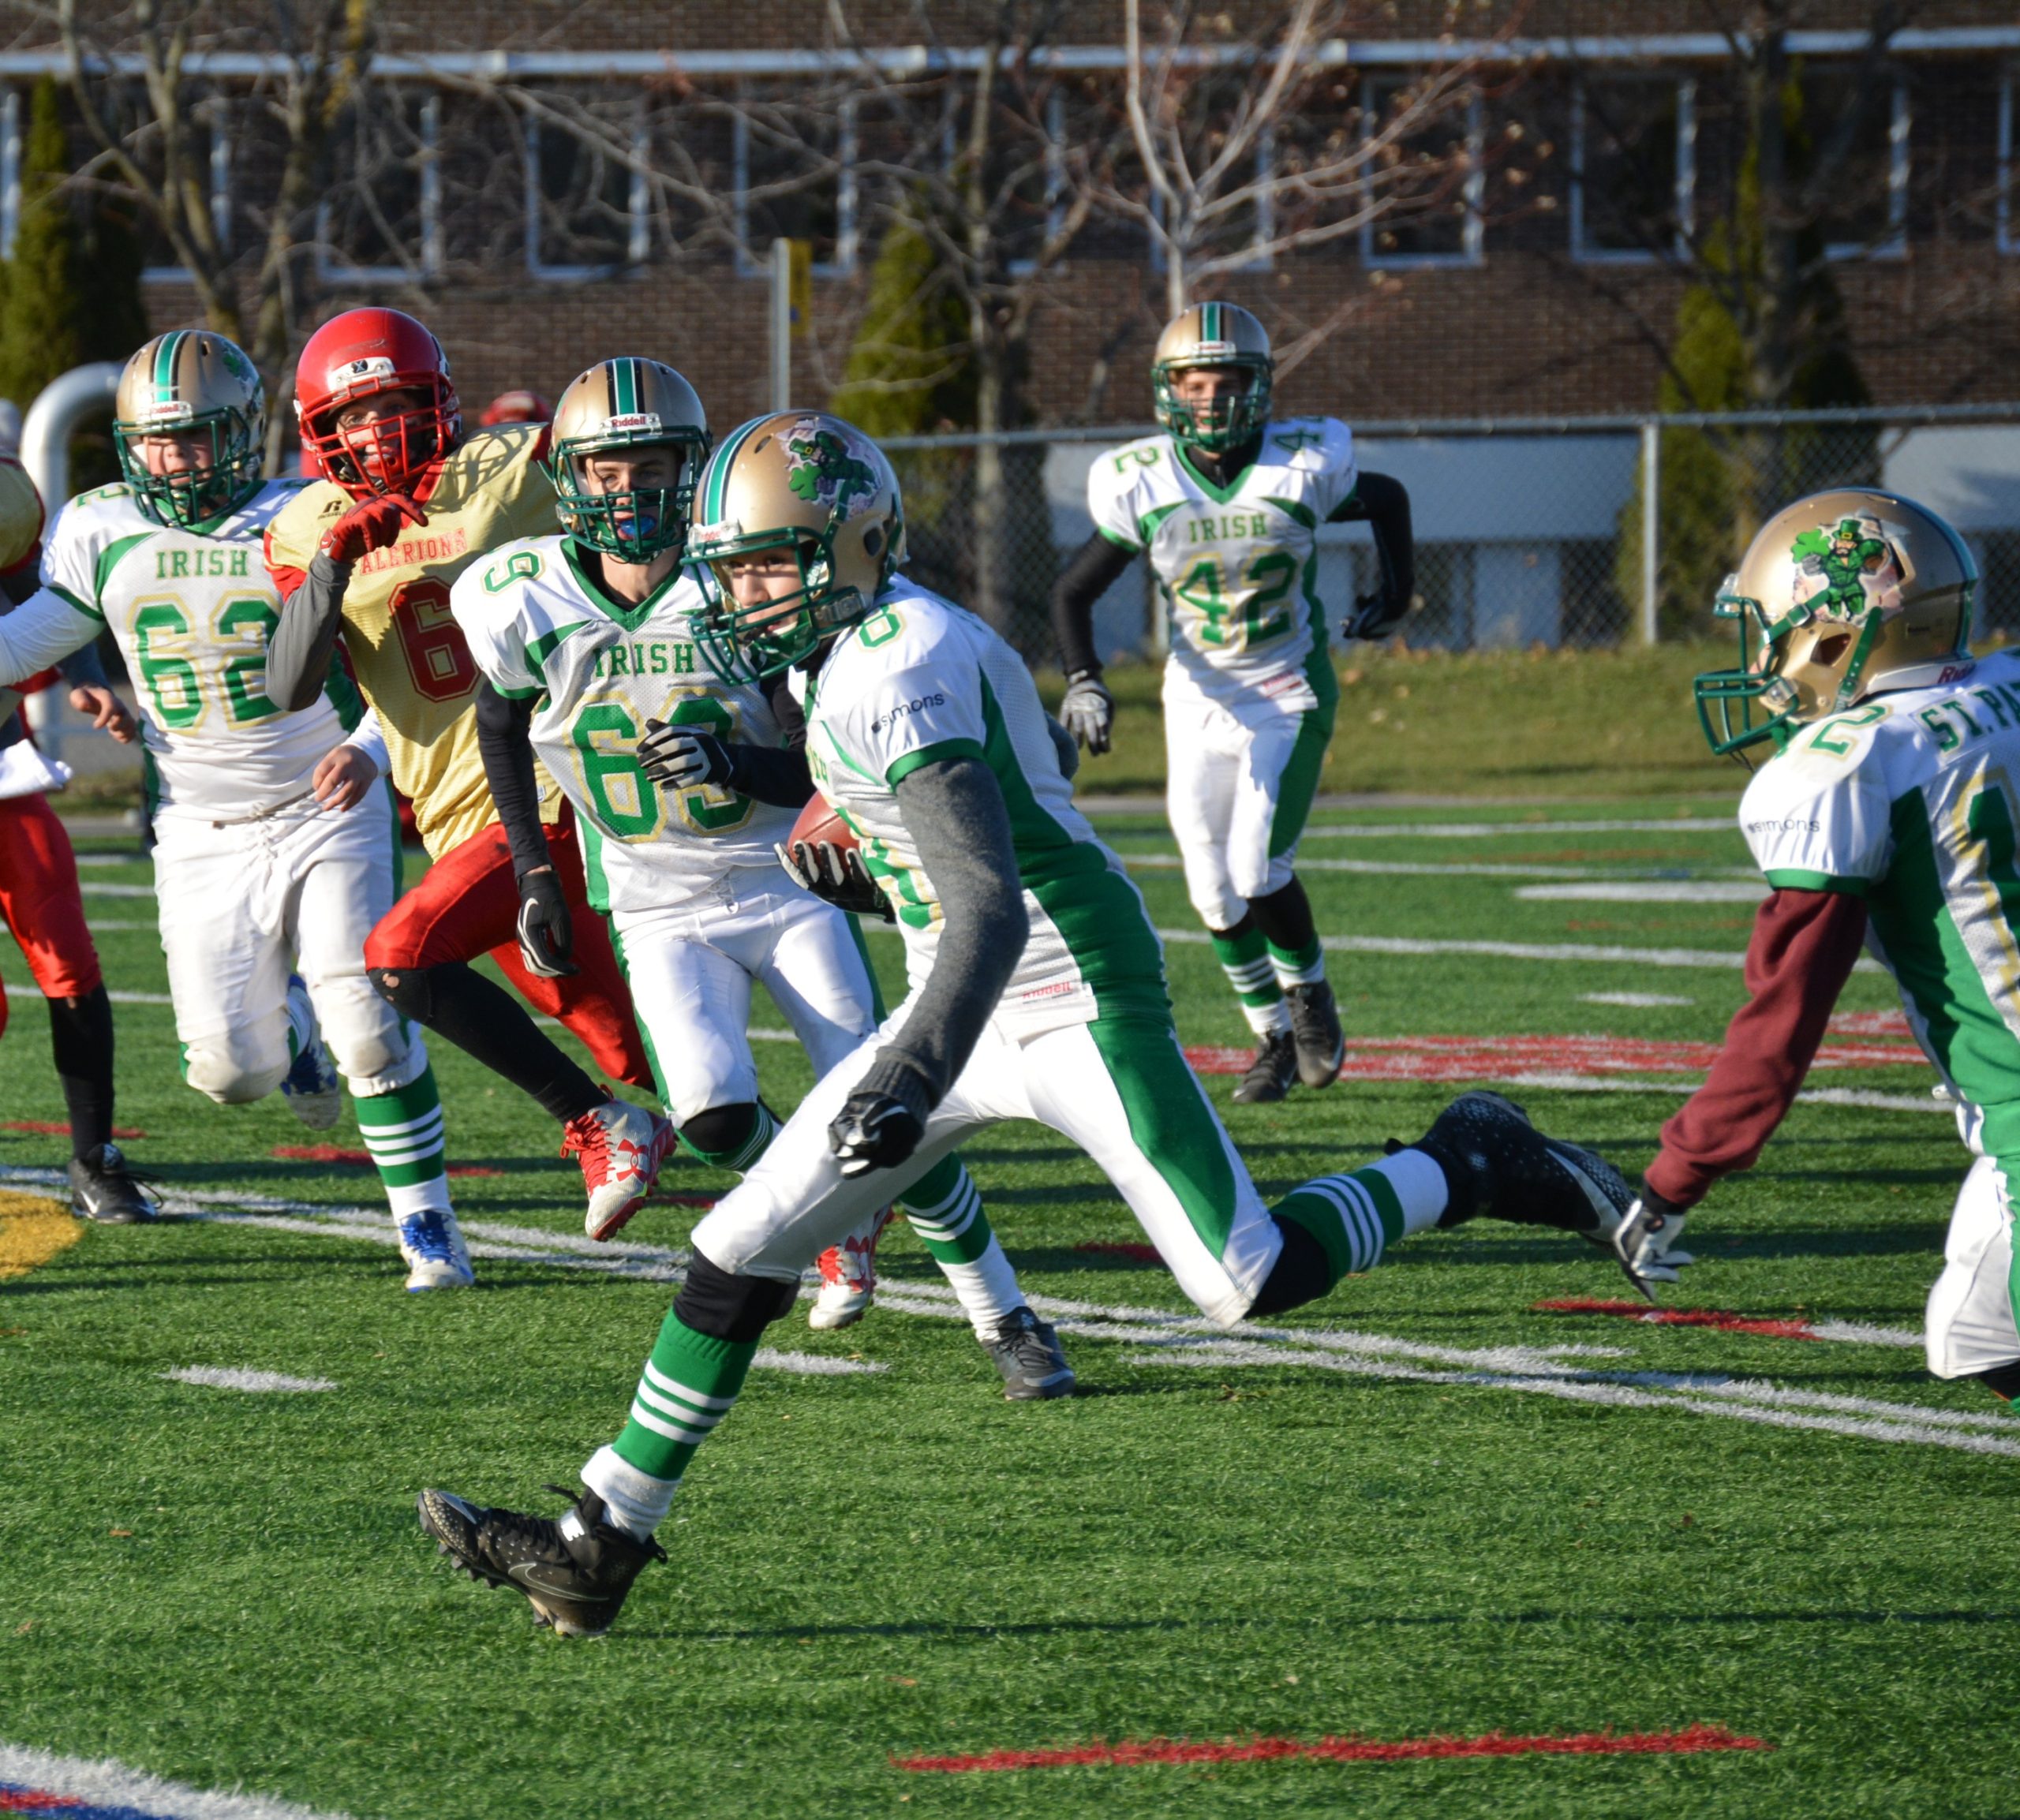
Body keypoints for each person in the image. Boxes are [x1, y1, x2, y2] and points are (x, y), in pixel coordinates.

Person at [417, 411, 1632, 1639]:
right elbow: (974, 820)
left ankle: (1467, 1158)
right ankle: (600, 1538)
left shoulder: (896, 658)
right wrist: (873, 879)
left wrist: (910, 1067)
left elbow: (992, 902)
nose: (748, 597)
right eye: (733, 571)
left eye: (773, 565)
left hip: (1066, 986)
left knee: (1244, 1278)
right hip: (958, 983)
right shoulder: (838, 653)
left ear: (858, 543)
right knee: (741, 1244)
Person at [452, 358, 1070, 1377]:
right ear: (571, 478)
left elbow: (820, 751)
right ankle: (837, 1215)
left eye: (653, 467)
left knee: (887, 1103)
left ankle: (1005, 1317)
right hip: (653, 896)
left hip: (784, 875)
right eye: (607, 471)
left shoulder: (739, 578)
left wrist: (733, 762)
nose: (630, 492)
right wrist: (533, 869)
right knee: (710, 1115)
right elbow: (499, 722)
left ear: (692, 469)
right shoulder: (519, 594)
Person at [0, 331, 471, 1284]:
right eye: (157, 441)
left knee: (367, 1023)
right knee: (228, 1072)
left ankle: (426, 1224)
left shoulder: (306, 513)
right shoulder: (101, 525)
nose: (176, 460)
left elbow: (409, 665)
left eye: (196, 438)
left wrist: (369, 746)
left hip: (321, 800)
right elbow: (21, 644)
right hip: (197, 826)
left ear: (243, 433)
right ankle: (291, 1036)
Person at [260, 308, 670, 1239]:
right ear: (323, 429)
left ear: (438, 400)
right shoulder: (303, 526)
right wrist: (333, 564)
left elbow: (641, 483)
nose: (378, 428)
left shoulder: (510, 468)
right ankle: (837, 1190)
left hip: (552, 788)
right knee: (644, 1052)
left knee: (400, 957)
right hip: (453, 820)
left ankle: (597, 1124)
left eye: (395, 403)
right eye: (356, 414)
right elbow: (289, 686)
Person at [1614, 488, 2020, 1411]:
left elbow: (1785, 1016)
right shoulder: (2005, 686)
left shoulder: (1852, 762)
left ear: (1834, 637)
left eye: (1771, 632)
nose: (1760, 659)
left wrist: (1677, 1175)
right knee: (1976, 1336)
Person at [1051, 302, 1416, 1104]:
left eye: (1226, 382)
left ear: (1258, 387)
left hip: (1284, 687)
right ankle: (1273, 1039)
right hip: (1197, 693)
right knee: (1211, 890)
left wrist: (1395, 598)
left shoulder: (1300, 465)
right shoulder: (1143, 480)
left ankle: (1311, 1000)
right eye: (1195, 383)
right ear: (1169, 390)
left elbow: (1387, 499)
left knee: (1257, 867)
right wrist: (1084, 679)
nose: (1211, 399)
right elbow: (1073, 590)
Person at [0, 456, 149, 1222]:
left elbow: (44, 593)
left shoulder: (4, 493)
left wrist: (82, 673)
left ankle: (96, 1158)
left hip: (2, 769)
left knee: (66, 957)